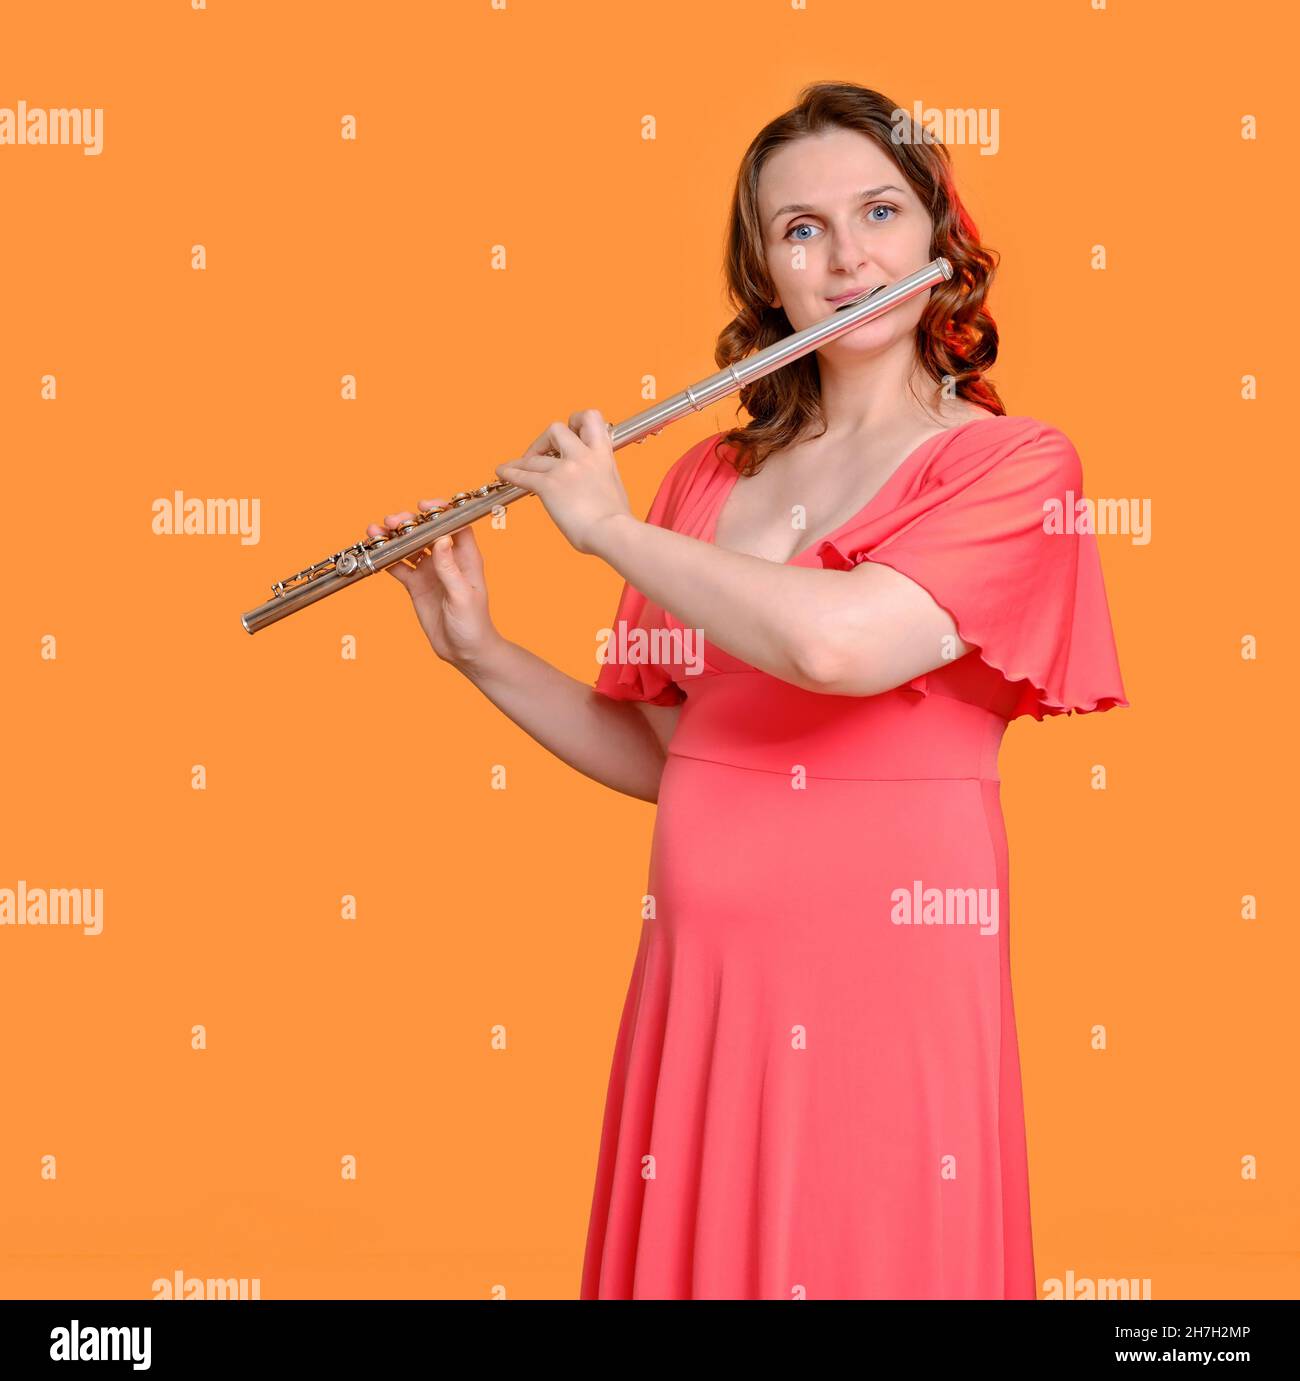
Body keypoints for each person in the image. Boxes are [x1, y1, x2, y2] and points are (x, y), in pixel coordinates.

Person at [366, 81, 1128, 1299]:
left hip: (891, 973)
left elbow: (839, 649)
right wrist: (482, 651)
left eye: (880, 211)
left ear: (940, 239)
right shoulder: (708, 479)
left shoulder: (1012, 464)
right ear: (765, 272)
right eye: (800, 229)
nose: (846, 257)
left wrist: (609, 534)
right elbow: (678, 752)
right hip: (705, 983)